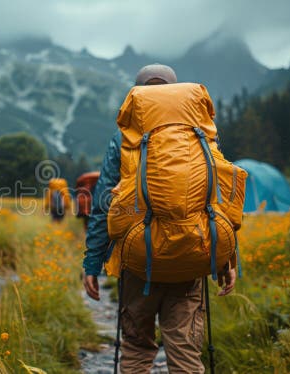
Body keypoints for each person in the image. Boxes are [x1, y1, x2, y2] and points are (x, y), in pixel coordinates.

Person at [82, 64, 237, 373]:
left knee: (137, 345)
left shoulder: (124, 138)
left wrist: (92, 263)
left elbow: (103, 205)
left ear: (137, 96)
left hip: (138, 258)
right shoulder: (202, 134)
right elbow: (219, 200)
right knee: (184, 348)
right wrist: (226, 261)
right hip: (191, 255)